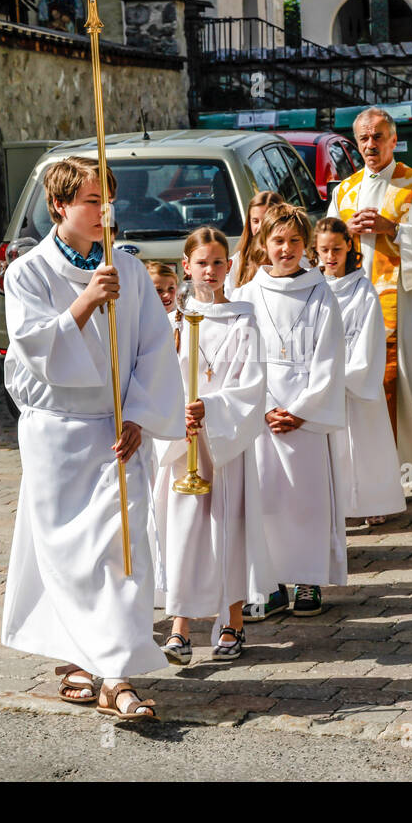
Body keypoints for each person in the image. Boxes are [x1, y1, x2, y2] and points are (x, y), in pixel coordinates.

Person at [0, 156, 185, 721]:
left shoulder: (128, 270)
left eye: (109, 200)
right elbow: (34, 351)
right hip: (59, 434)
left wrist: (140, 414)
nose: (105, 211)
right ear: (58, 205)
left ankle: (117, 674)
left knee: (122, 550)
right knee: (70, 558)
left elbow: (155, 348)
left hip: (118, 431)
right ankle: (79, 656)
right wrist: (83, 303)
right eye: (90, 201)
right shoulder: (28, 273)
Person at [327, 107, 412, 492]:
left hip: (405, 300)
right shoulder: (344, 190)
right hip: (355, 303)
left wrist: (395, 229)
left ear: (393, 140)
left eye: (379, 137)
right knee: (367, 380)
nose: (371, 145)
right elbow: (325, 246)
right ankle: (377, 466)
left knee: (407, 378)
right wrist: (344, 231)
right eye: (364, 138)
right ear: (357, 143)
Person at [154, 227, 271, 664]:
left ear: (229, 266)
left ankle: (232, 623)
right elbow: (156, 379)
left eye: (219, 262)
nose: (210, 270)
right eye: (202, 262)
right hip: (182, 442)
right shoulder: (172, 323)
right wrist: (176, 412)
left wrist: (213, 408)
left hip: (226, 443)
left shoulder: (244, 319)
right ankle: (180, 628)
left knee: (229, 529)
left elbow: (252, 387)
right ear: (186, 266)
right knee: (184, 533)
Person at [233, 203, 346, 620]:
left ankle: (308, 581)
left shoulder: (321, 295)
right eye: (278, 241)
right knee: (265, 501)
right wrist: (261, 408)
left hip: (305, 418)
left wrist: (298, 410)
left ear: (306, 246)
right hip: (260, 415)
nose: (286, 249)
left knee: (305, 500)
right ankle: (270, 584)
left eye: (295, 241)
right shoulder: (246, 295)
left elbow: (330, 358)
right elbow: (238, 357)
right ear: (264, 244)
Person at [314, 217, 406, 527]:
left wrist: (350, 375)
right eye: (324, 250)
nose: (330, 257)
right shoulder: (313, 288)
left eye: (336, 249)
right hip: (325, 380)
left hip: (357, 379)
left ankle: (373, 501)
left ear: (348, 247)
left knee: (366, 445)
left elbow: (370, 333)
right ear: (315, 251)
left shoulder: (362, 288)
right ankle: (337, 502)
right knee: (334, 446)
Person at [225, 190, 284, 297]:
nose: (260, 227)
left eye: (266, 221)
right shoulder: (238, 261)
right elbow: (230, 299)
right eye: (255, 221)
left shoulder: (290, 258)